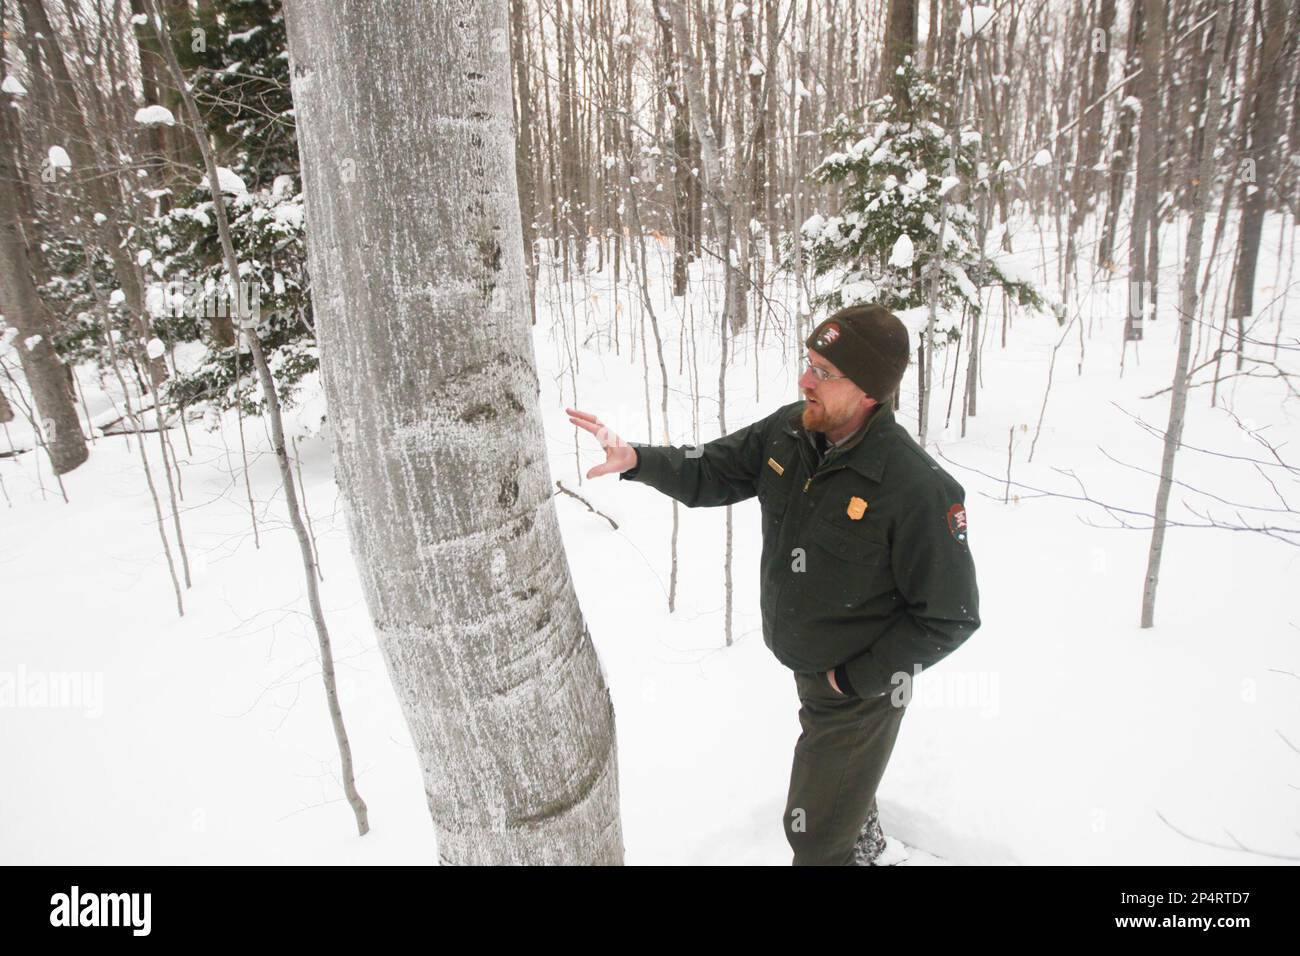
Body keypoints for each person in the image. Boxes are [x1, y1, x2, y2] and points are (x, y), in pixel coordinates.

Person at [567, 303, 980, 865]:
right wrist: (638, 458)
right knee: (836, 792)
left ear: (869, 391)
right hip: (815, 667)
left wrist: (850, 680)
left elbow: (949, 616)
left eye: (824, 372)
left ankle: (843, 844)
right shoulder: (792, 429)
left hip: (856, 694)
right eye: (808, 362)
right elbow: (710, 469)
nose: (804, 379)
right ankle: (860, 833)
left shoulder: (917, 489)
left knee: (813, 837)